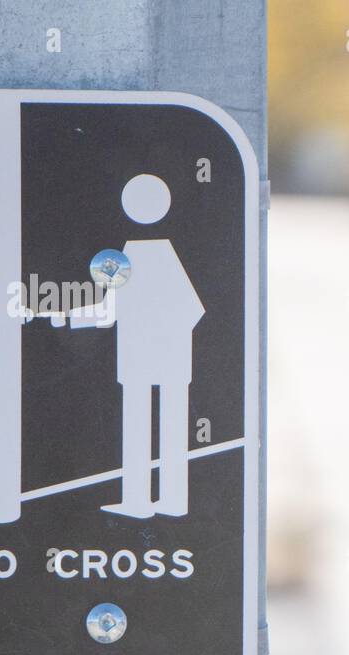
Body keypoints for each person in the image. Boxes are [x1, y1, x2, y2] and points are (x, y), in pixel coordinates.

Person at [69, 173, 205, 518]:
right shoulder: (160, 253)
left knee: (141, 424)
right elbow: (190, 308)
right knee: (168, 425)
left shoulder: (132, 256)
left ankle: (140, 502)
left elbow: (109, 312)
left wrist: (65, 317)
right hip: (169, 356)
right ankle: (170, 502)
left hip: (143, 357)